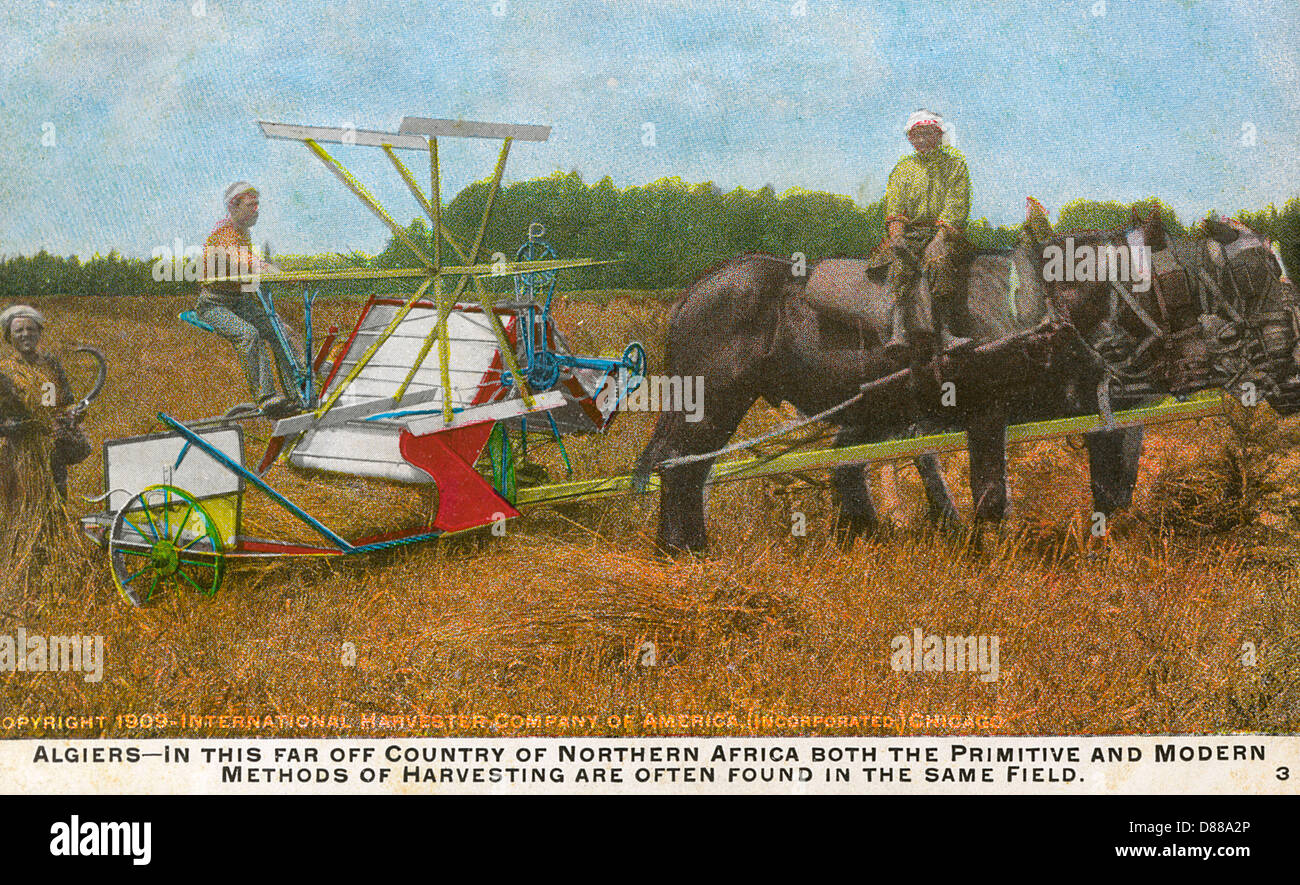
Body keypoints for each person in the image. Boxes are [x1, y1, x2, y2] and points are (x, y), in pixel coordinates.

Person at [197, 182, 303, 418]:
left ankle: (299, 392)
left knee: (279, 332)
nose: (257, 209)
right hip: (214, 304)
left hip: (238, 301)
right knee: (249, 334)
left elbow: (248, 275)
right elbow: (248, 264)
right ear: (234, 207)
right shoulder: (223, 235)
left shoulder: (244, 234)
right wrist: (279, 275)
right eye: (251, 204)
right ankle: (267, 399)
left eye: (258, 204)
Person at [877, 110, 974, 361]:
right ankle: (898, 332)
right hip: (911, 231)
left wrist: (940, 237)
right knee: (898, 263)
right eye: (916, 135)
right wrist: (897, 235)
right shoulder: (902, 170)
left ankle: (945, 332)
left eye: (927, 134)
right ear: (910, 139)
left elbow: (956, 204)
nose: (921, 140)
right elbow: (895, 206)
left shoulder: (955, 166)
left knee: (938, 263)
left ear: (939, 136)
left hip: (945, 231)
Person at [0, 305, 93, 499]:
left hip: (53, 453)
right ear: (9, 337)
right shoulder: (4, 373)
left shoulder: (50, 364)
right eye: (18, 330)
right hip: (19, 458)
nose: (25, 334)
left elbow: (65, 401)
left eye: (31, 329)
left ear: (39, 332)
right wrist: (25, 426)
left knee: (57, 503)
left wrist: (72, 412)